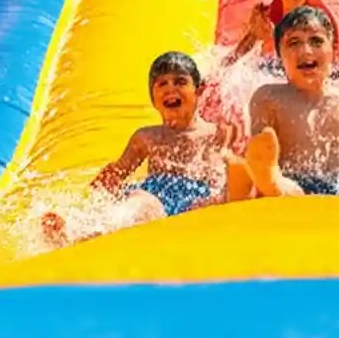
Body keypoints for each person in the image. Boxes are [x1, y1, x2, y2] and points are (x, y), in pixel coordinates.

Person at [41, 51, 241, 247]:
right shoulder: (146, 137)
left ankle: (85, 236)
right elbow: (118, 173)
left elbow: (229, 176)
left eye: (180, 82)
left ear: (198, 90)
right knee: (136, 203)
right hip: (156, 199)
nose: (171, 89)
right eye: (162, 84)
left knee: (207, 204)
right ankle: (79, 235)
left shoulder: (217, 134)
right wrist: (102, 188)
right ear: (153, 98)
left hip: (197, 202)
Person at [224, 6, 339, 200]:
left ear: (332, 49)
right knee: (284, 188)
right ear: (279, 56)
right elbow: (263, 144)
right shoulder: (268, 97)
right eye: (293, 43)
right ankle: (267, 178)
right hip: (292, 184)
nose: (306, 50)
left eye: (316, 41)